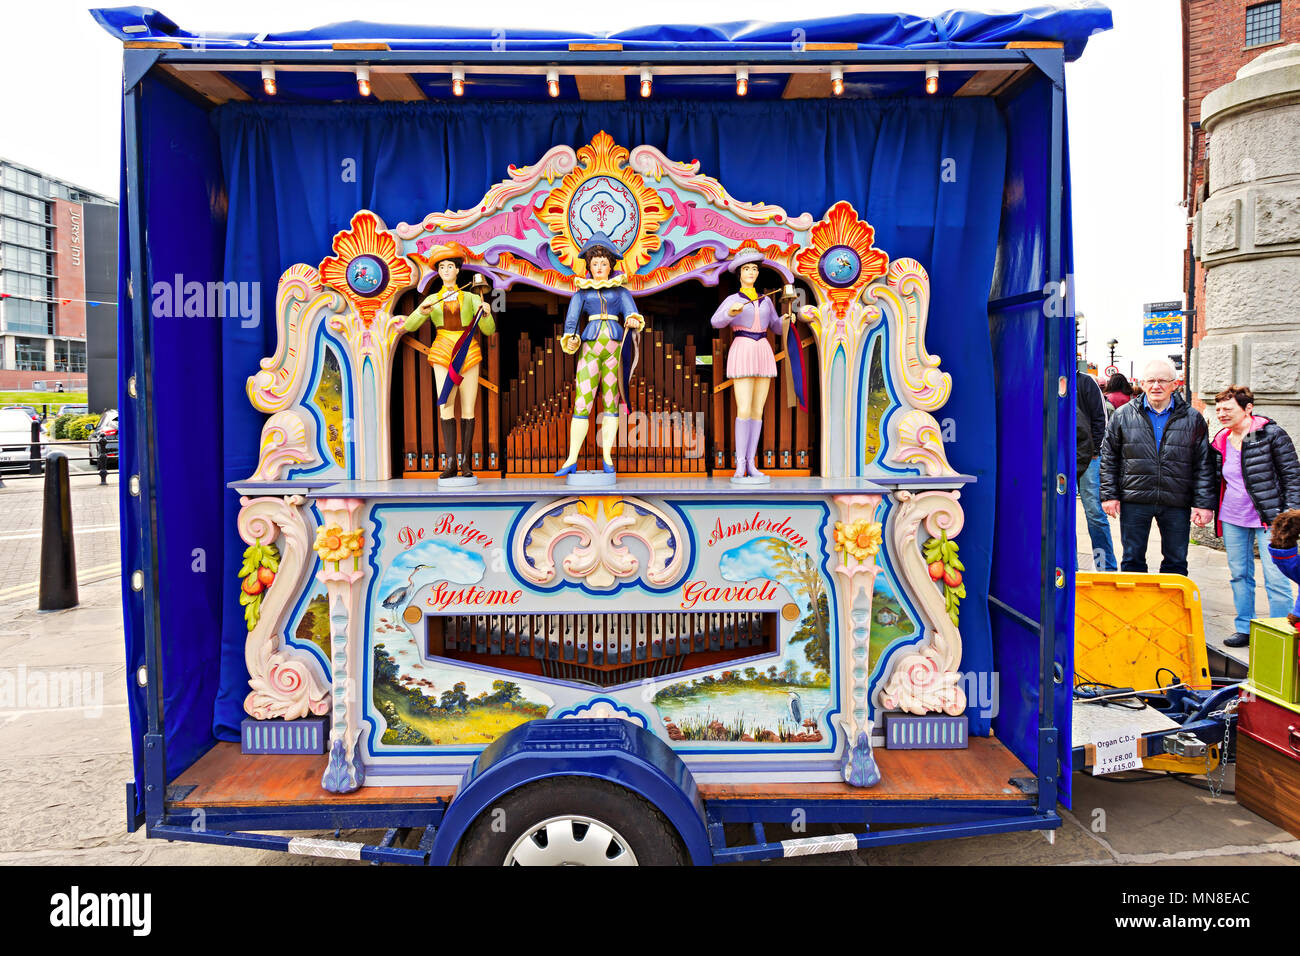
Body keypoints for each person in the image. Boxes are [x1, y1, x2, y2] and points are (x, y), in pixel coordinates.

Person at [1099, 358, 1215, 575]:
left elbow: (1203, 464)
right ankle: (1135, 606)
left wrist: (1204, 504)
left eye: (1163, 380)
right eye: (1151, 380)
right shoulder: (1123, 415)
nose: (1156, 386)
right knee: (1132, 560)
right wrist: (1109, 495)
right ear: (1142, 384)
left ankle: (1170, 608)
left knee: (1176, 562)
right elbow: (1109, 457)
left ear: (1175, 384)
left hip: (1176, 500)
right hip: (1135, 499)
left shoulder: (1192, 418)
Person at [709, 248, 813, 480]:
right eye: (747, 269)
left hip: (763, 350)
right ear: (739, 273)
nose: (751, 272)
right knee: (743, 409)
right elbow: (716, 322)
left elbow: (774, 326)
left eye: (754, 269)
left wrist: (786, 320)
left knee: (757, 410)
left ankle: (752, 463)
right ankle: (739, 465)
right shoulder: (733, 300)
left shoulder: (766, 300)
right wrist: (729, 313)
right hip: (743, 347)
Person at [1209, 385, 1300, 646]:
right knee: (1240, 575)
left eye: (1228, 408)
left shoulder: (1270, 434)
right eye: (1218, 409)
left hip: (1270, 519)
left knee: (1277, 577)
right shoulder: (1221, 440)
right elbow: (1214, 479)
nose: (1222, 414)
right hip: (1232, 517)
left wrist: (1289, 516)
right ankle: (1245, 627)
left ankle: (1277, 631)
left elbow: (1292, 475)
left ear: (1248, 408)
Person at [554, 233, 644, 477]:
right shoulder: (582, 293)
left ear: (610, 266)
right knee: (582, 401)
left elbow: (632, 312)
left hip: (614, 348)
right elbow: (572, 321)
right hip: (590, 348)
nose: (599, 268)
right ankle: (572, 457)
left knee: (611, 401)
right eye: (595, 264)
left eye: (604, 263)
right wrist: (570, 336)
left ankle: (607, 457)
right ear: (589, 267)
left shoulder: (620, 291)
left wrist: (634, 320)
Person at [402, 243, 496, 478]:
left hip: (468, 350)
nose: (446, 270)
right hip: (443, 349)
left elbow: (488, 330)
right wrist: (421, 311)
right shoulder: (432, 299)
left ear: (457, 270)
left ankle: (465, 464)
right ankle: (450, 462)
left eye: (450, 266)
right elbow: (409, 326)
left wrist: (486, 313)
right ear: (438, 272)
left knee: (468, 406)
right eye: (441, 267)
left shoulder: (473, 298)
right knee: (446, 405)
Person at [1076, 370, 1117, 570]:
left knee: (1094, 513)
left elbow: (1101, 417)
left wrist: (1095, 450)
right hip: (1062, 459)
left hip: (1089, 457)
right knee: (1062, 515)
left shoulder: (1085, 381)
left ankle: (1105, 567)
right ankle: (1070, 567)